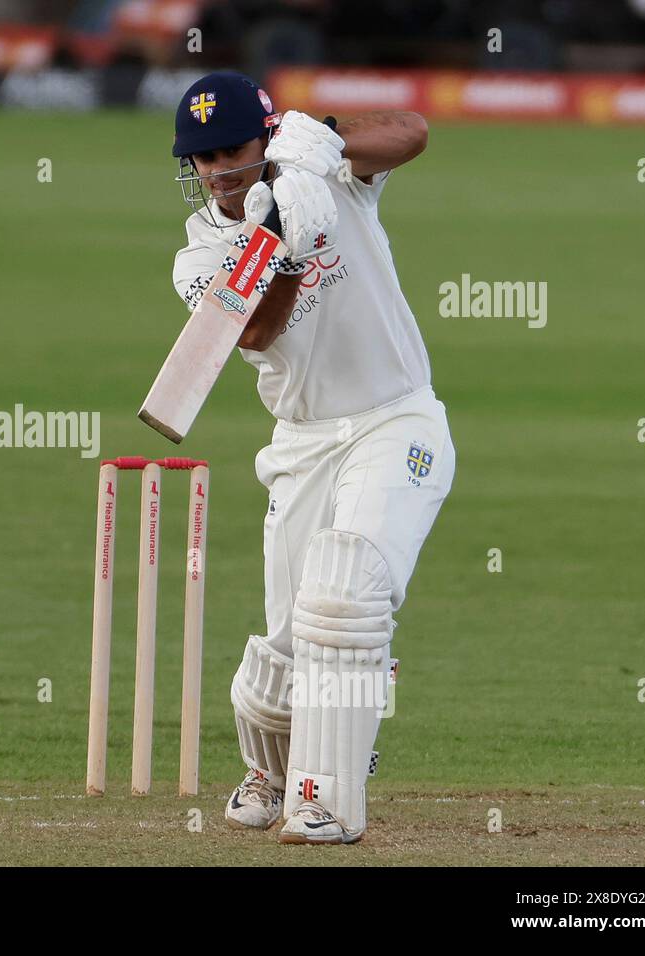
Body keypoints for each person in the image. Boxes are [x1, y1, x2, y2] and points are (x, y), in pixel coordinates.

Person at [170, 71, 455, 844]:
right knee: (292, 643)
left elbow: (413, 133)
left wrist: (322, 138)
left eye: (232, 149)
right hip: (301, 445)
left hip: (396, 419)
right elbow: (256, 334)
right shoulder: (199, 255)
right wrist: (288, 249)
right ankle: (268, 771)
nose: (219, 169)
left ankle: (324, 800)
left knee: (347, 600)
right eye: (202, 158)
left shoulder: (323, 172)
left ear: (263, 139)